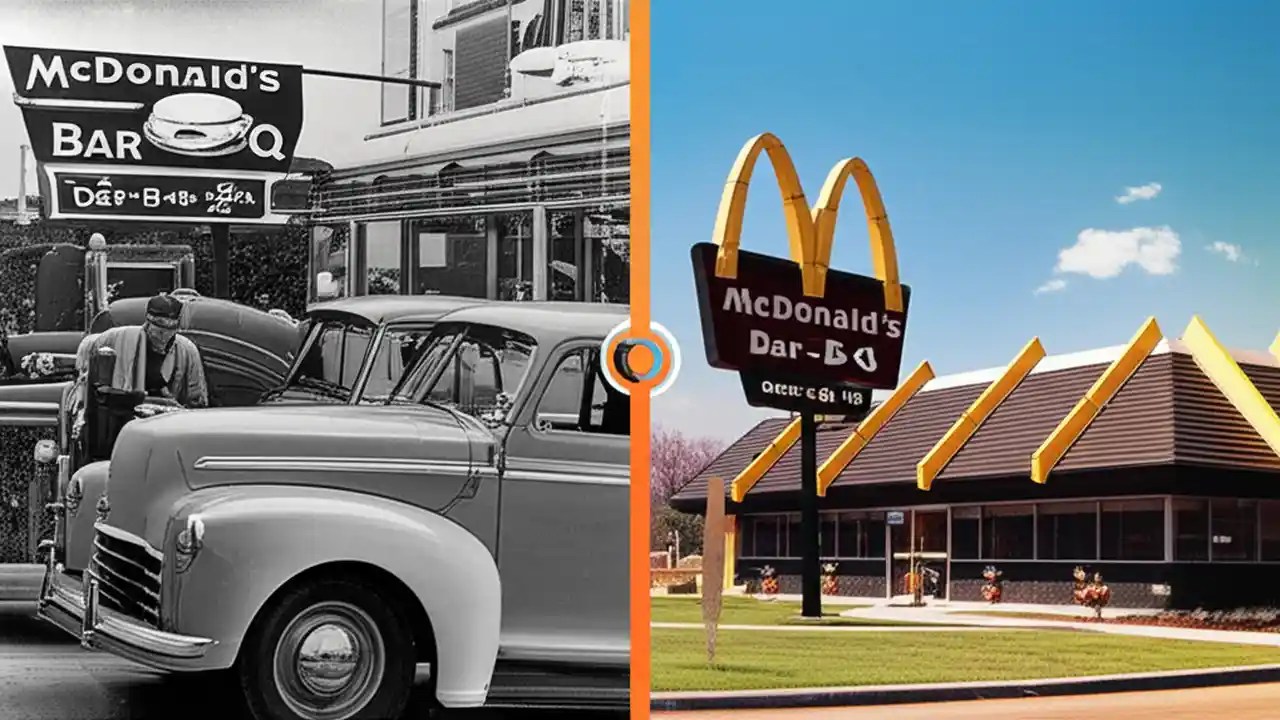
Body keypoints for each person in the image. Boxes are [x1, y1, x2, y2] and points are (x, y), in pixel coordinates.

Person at [88, 294, 208, 408]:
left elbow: (196, 398)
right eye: (159, 329)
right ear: (148, 324)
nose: (164, 336)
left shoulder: (187, 350)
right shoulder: (112, 339)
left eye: (171, 329)